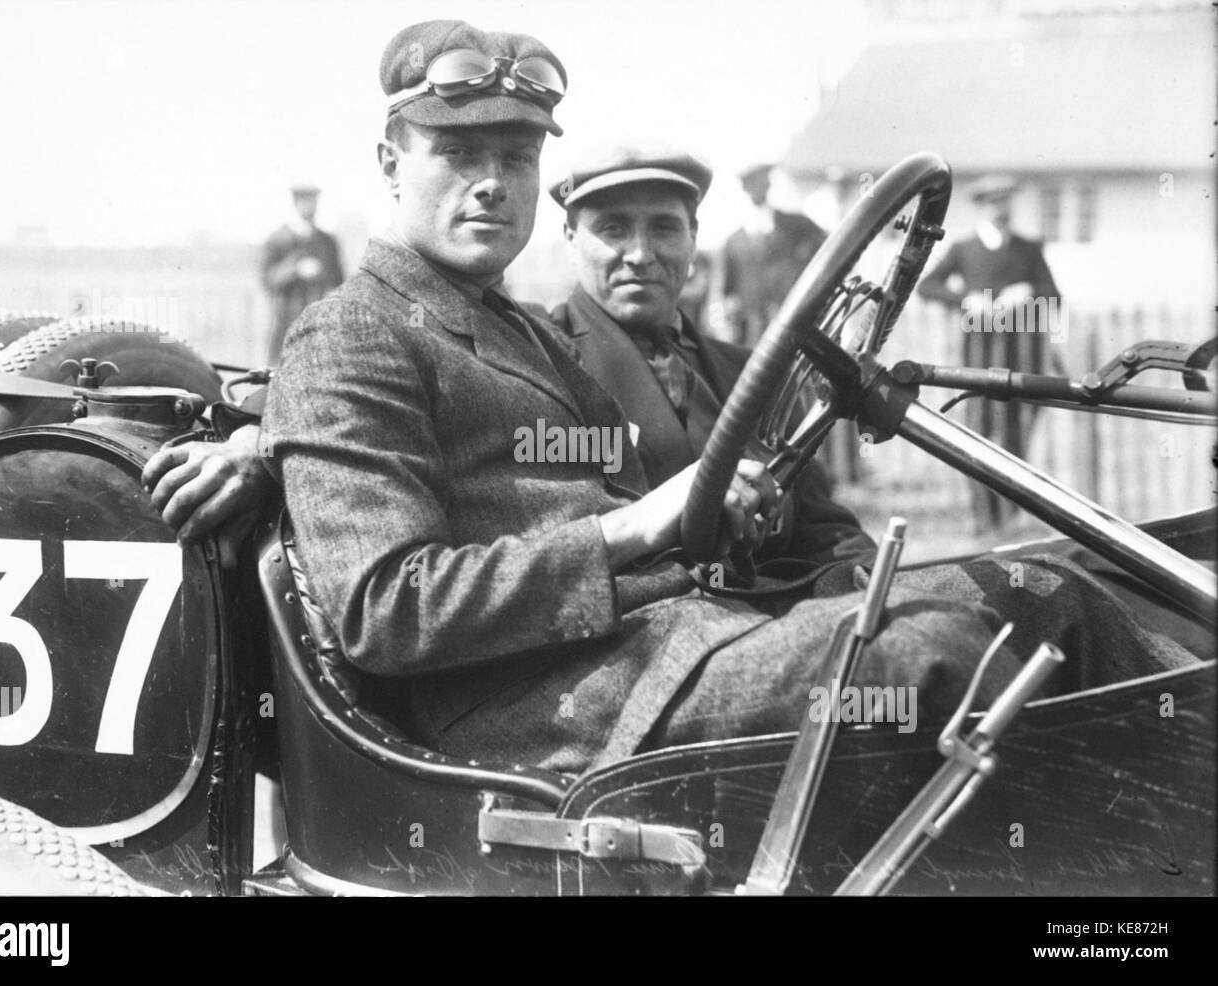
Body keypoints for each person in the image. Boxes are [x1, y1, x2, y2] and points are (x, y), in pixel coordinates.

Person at [244, 20, 1196, 776]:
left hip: (668, 640)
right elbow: (383, 609)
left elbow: (609, 471)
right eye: (459, 154)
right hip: (535, 707)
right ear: (389, 165)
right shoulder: (353, 334)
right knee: (933, 658)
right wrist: (629, 532)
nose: (493, 184)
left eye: (518, 157)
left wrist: (720, 497)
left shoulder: (516, 330)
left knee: (1042, 594)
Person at [545, 144, 873, 578]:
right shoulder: (540, 363)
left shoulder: (754, 373)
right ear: (571, 238)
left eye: (664, 228)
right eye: (614, 228)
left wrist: (866, 583)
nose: (641, 255)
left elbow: (823, 530)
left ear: (693, 238)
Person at [917, 174, 1067, 532]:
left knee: (1016, 434)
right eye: (994, 203)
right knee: (979, 433)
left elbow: (1054, 294)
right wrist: (965, 299)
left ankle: (1010, 515)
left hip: (1019, 356)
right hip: (978, 356)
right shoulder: (964, 248)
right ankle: (983, 516)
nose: (1002, 209)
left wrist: (1028, 289)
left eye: (1006, 202)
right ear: (982, 207)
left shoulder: (1028, 249)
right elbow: (928, 286)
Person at [710, 163, 827, 346]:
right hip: (750, 330)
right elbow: (726, 290)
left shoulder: (795, 225)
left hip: (790, 320)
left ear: (769, 185)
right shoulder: (734, 241)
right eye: (752, 185)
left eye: (763, 182)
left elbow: (824, 245)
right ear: (744, 188)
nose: (758, 189)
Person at [261, 184, 345, 365]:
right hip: (286, 320)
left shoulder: (327, 241)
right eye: (304, 201)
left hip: (319, 322)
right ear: (296, 203)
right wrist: (295, 269)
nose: (309, 207)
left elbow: (339, 281)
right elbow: (268, 279)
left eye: (313, 201)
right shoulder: (278, 239)